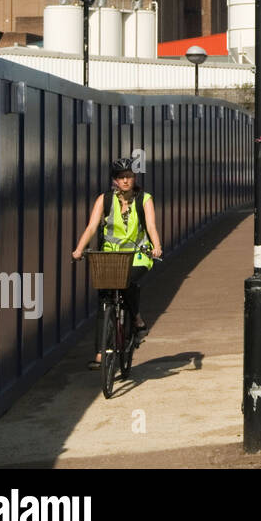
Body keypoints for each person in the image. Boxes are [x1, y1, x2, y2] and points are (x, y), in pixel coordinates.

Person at [72, 158, 162, 370]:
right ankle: (100, 353)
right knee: (104, 298)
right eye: (121, 178)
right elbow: (92, 226)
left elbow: (150, 225)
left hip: (138, 254)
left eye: (129, 177)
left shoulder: (144, 199)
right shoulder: (104, 200)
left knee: (128, 281)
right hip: (110, 255)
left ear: (134, 178)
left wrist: (156, 246)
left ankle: (137, 320)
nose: (125, 181)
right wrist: (79, 249)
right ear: (114, 180)